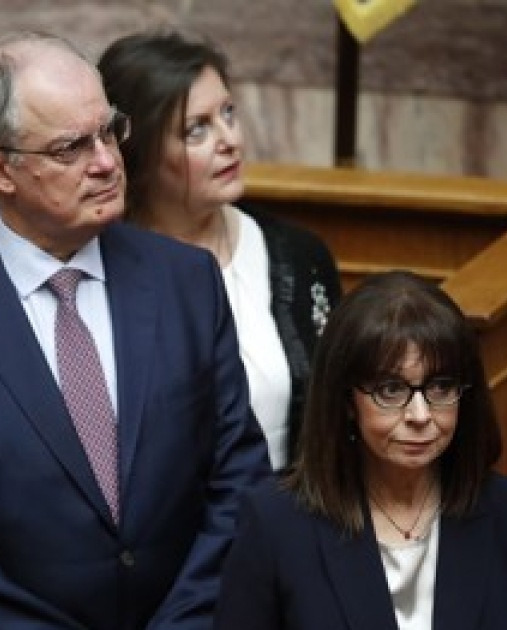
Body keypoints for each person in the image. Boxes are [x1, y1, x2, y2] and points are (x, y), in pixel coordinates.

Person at [0, 31, 269, 630]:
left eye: (109, 131)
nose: (107, 162)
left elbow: (239, 477)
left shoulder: (185, 282)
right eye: (71, 148)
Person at [214, 270, 507, 629]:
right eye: (390, 390)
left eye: (441, 387)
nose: (420, 415)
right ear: (346, 401)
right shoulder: (276, 525)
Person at [98, 32, 342, 470]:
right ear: (140, 154)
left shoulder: (299, 256)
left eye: (229, 113)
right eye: (197, 130)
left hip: (294, 524)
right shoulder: (100, 269)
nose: (229, 140)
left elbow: (339, 413)